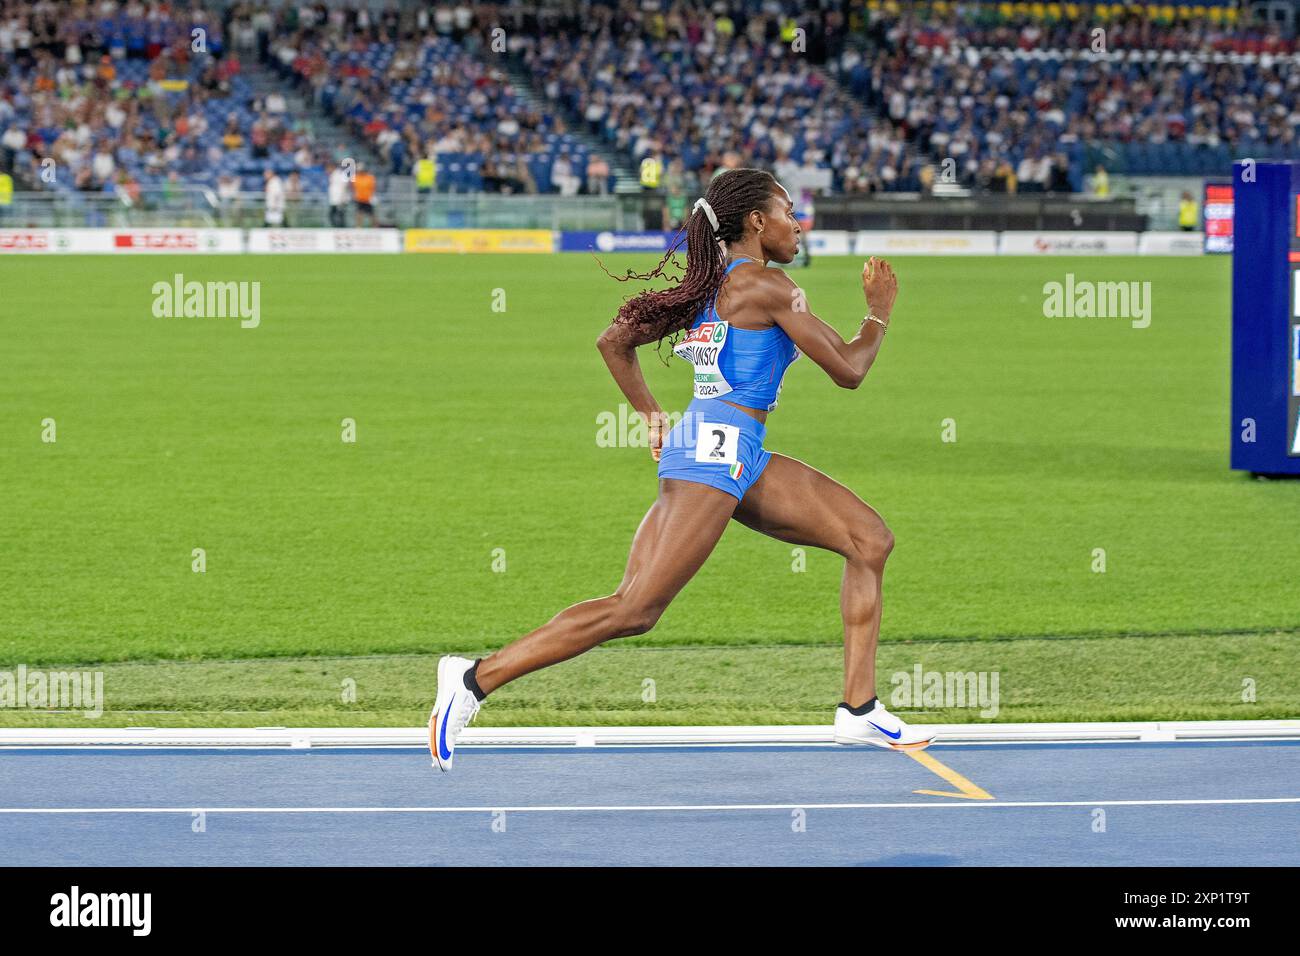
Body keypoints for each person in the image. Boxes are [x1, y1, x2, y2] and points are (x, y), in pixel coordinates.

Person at [428, 168, 934, 771]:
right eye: (788, 211)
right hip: (714, 452)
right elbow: (849, 369)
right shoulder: (767, 287)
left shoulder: (708, 287)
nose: (798, 224)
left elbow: (613, 341)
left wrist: (651, 417)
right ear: (755, 222)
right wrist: (878, 313)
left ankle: (858, 706)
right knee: (634, 609)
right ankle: (472, 680)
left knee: (868, 539)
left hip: (729, 449)